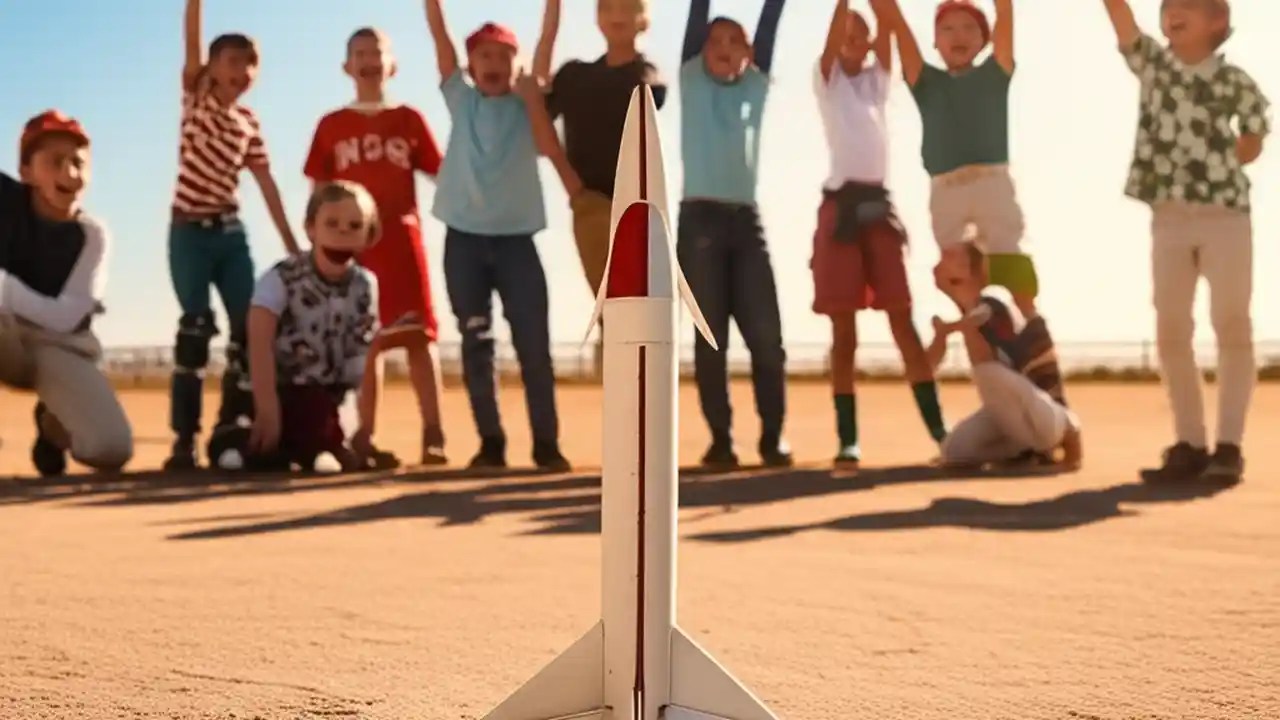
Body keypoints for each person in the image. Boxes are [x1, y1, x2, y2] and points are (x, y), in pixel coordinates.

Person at [1101, 0, 1269, 484]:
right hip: (1169, 216)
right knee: (1172, 327)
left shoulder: (1233, 79)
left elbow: (1254, 133)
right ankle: (1190, 443)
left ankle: (1229, 447)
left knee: (1231, 323)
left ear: (1217, 21)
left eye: (1187, 7)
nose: (1172, 12)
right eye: (1168, 6)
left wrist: (1235, 155)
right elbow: (1121, 18)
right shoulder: (1154, 64)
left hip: (1225, 216)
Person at [421, 0, 579, 471]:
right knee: (476, 344)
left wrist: (553, 9)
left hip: (516, 243)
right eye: (484, 56)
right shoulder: (462, 98)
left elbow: (547, 40)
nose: (494, 64)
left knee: (534, 346)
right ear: (471, 65)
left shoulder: (529, 104)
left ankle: (546, 445)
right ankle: (491, 443)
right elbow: (440, 39)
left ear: (518, 64)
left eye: (504, 56)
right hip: (464, 241)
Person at [303, 26, 449, 467]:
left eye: (376, 53)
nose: (368, 60)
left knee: (419, 337)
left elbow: (444, 175)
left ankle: (433, 433)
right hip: (353, 247)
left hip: (402, 241)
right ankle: (364, 434)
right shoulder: (332, 125)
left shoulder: (408, 119)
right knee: (367, 343)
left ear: (392, 65)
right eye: (359, 53)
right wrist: (316, 243)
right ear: (347, 66)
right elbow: (319, 189)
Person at [812, 0, 948, 467]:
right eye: (845, 31)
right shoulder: (829, 82)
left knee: (902, 318)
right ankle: (847, 438)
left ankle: (939, 431)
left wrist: (878, 12)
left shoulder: (877, 82)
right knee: (844, 330)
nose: (852, 37)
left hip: (879, 208)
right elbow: (833, 42)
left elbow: (889, 25)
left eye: (860, 32)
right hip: (840, 209)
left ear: (870, 41)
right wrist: (843, 6)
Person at [166, 0, 300, 471]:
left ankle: (233, 427)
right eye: (232, 61)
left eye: (250, 64)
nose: (242, 71)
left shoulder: (250, 124)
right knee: (195, 327)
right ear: (213, 68)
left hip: (229, 232)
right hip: (189, 231)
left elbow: (267, 185)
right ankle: (184, 439)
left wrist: (292, 246)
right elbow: (191, 37)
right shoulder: (197, 94)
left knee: (248, 332)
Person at [677, 0, 792, 469]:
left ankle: (772, 438)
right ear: (700, 50)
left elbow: (770, 22)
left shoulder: (755, 86)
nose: (724, 47)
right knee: (712, 340)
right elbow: (696, 13)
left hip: (747, 222)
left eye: (734, 41)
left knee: (766, 337)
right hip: (699, 220)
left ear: (748, 52)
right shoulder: (691, 79)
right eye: (715, 40)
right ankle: (721, 440)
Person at [210, 182, 389, 473]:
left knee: (319, 421)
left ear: (368, 236)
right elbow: (258, 335)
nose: (342, 233)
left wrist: (367, 428)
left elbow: (367, 353)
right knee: (241, 428)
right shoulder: (282, 277)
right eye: (331, 223)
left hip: (319, 393)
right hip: (262, 385)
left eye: (355, 226)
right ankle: (243, 446)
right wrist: (267, 409)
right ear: (310, 228)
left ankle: (312, 449)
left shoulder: (365, 286)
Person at [877, 0, 1040, 320]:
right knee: (956, 271)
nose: (958, 35)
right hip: (946, 189)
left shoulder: (995, 72)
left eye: (969, 28)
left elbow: (1004, 12)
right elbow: (896, 23)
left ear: (986, 39)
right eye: (947, 29)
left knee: (1009, 258)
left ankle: (1033, 331)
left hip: (991, 182)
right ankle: (982, 340)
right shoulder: (926, 82)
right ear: (935, 41)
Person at [0, 110, 133, 477]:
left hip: (55, 344)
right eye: (54, 162)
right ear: (25, 173)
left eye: (78, 163)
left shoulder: (92, 235)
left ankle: (53, 425)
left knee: (110, 448)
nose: (70, 173)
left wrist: (4, 289)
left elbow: (66, 316)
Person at [538, 0, 663, 374]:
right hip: (590, 203)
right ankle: (623, 402)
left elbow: (651, 100)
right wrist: (573, 187)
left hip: (635, 207)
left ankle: (641, 404)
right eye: (608, 6)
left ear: (644, 19)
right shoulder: (574, 75)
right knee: (613, 308)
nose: (618, 14)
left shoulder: (645, 74)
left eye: (629, 6)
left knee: (642, 310)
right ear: (597, 17)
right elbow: (540, 117)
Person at [928, 242, 1082, 470]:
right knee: (955, 451)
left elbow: (980, 318)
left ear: (971, 268)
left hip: (1041, 411)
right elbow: (929, 366)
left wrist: (948, 329)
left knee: (989, 372)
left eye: (952, 255)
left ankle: (1070, 429)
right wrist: (941, 335)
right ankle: (1024, 449)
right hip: (1004, 411)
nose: (943, 256)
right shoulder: (966, 311)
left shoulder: (994, 295)